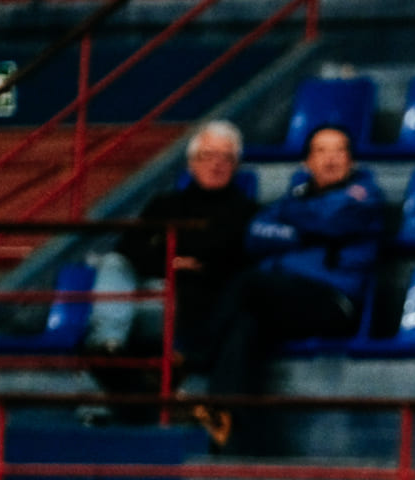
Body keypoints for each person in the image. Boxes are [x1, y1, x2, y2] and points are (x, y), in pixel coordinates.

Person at [191, 124, 386, 449]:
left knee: (249, 283)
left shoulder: (364, 196)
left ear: (351, 161)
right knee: (244, 324)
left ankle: (196, 361)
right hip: (286, 298)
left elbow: (332, 220)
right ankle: (233, 429)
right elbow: (255, 233)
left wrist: (293, 220)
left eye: (339, 150)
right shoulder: (298, 197)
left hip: (333, 302)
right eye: (321, 151)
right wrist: (300, 231)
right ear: (307, 162)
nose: (331, 159)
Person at [85, 121, 256, 415]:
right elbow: (129, 249)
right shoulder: (164, 204)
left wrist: (168, 258)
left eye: (225, 157)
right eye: (207, 156)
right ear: (191, 163)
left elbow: (226, 259)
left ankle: (117, 395)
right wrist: (170, 263)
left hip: (194, 302)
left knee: (92, 333)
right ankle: (110, 345)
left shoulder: (247, 211)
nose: (216, 164)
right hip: (148, 292)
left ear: (236, 165)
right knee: (114, 264)